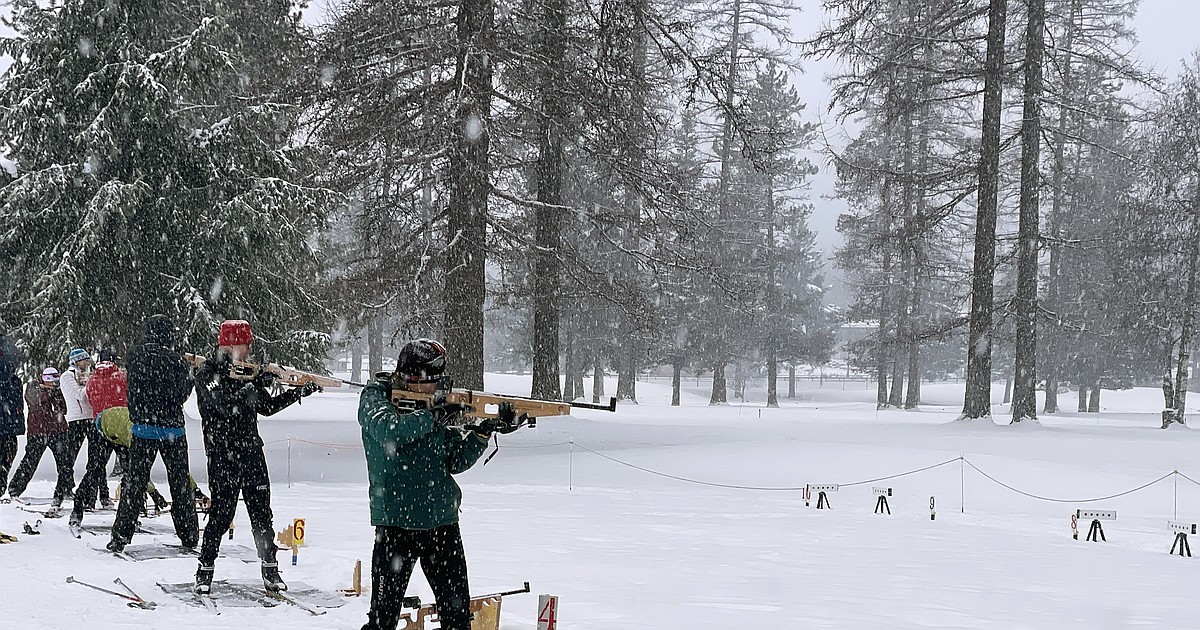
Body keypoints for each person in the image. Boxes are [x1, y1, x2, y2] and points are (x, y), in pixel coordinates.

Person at [358, 338, 521, 630]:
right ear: (410, 377)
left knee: (457, 620)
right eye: (431, 381)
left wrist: (484, 432)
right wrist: (432, 417)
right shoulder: (376, 397)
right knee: (382, 621)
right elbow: (388, 431)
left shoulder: (435, 406)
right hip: (396, 523)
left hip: (441, 522)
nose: (436, 388)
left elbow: (455, 461)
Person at [192, 320, 320, 595]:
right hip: (222, 453)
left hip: (250, 451)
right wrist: (253, 386)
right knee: (221, 514)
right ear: (228, 345)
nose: (249, 351)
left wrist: (298, 392)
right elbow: (224, 407)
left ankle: (270, 567)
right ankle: (205, 568)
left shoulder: (247, 372)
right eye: (244, 346)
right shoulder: (207, 373)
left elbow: (266, 407)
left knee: (262, 513)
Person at [108, 315, 197, 553]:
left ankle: (120, 536)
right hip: (172, 429)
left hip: (143, 428)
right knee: (179, 483)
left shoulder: (135, 356)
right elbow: (182, 394)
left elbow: (134, 387)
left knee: (134, 484)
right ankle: (188, 535)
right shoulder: (177, 361)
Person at [6, 368, 73, 512]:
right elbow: (35, 401)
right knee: (30, 461)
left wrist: (56, 394)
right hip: (38, 431)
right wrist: (47, 392)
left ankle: (65, 489)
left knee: (65, 462)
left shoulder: (56, 390)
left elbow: (63, 409)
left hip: (57, 430)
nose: (55, 383)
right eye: (53, 380)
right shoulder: (33, 386)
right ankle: (14, 489)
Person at [61, 347, 111, 509]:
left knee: (97, 458)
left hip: (92, 418)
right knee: (70, 457)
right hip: (77, 419)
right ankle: (64, 489)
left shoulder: (88, 375)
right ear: (76, 361)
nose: (87, 362)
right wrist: (93, 383)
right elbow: (80, 395)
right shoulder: (67, 376)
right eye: (84, 360)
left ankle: (100, 494)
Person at [0, 335, 23, 499]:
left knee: (8, 452)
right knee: (7, 453)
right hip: (8, 424)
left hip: (9, 425)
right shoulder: (12, 381)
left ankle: (2, 483)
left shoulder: (14, 381)